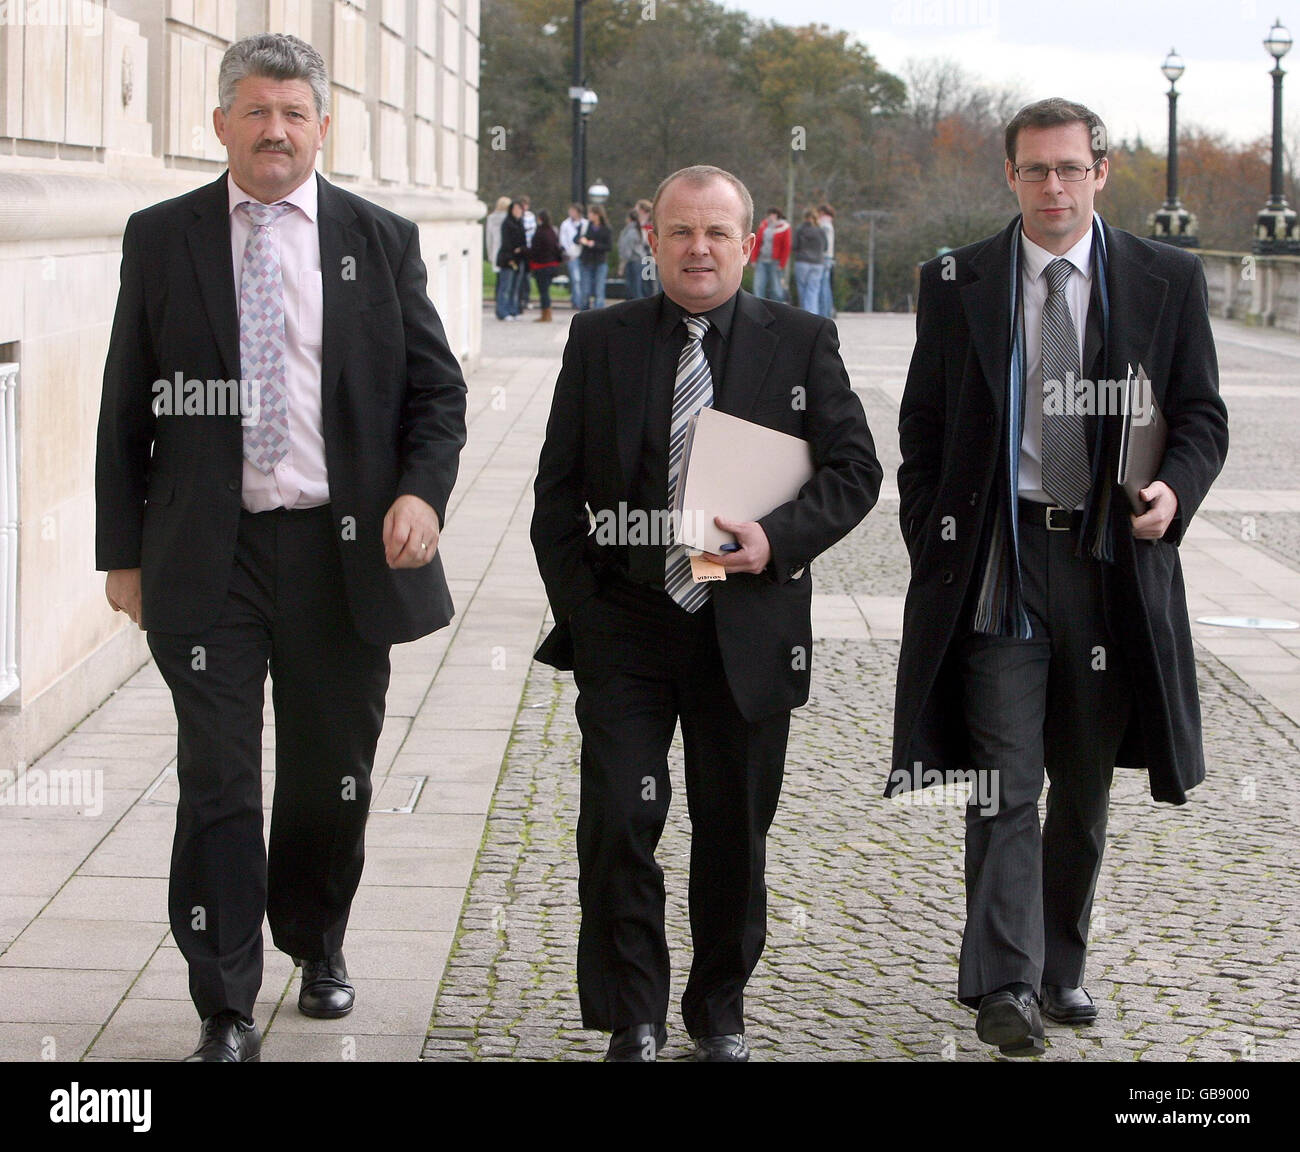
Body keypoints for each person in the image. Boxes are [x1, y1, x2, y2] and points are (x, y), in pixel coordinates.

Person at [95, 33, 468, 1062]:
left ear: (322, 126)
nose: (275, 131)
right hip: (205, 555)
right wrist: (119, 551)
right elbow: (126, 403)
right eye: (256, 111)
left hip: (339, 556)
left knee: (326, 775)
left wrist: (419, 493)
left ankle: (318, 939)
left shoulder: (377, 239)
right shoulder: (162, 235)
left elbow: (436, 393)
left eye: (294, 113)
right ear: (221, 123)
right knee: (217, 776)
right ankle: (223, 999)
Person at [890, 97, 1227, 1057]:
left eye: (1070, 168)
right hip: (1000, 556)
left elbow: (1202, 415)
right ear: (1010, 176)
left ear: (1101, 172)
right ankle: (1004, 985)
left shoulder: (1166, 277)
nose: (1053, 186)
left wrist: (1174, 492)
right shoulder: (956, 279)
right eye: (1035, 169)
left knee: (1080, 785)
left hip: (1108, 558)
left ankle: (1058, 963)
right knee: (1004, 776)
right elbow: (921, 424)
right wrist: (933, 534)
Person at [531, 164, 882, 1061]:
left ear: (749, 242)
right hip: (629, 625)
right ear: (651, 240)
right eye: (680, 232)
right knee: (618, 817)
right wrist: (587, 614)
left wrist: (777, 538)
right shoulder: (600, 339)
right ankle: (634, 1012)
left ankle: (717, 1009)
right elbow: (557, 493)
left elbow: (856, 471)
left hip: (747, 626)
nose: (698, 249)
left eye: (716, 233)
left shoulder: (801, 340)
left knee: (733, 831)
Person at [528, 208, 564, 322]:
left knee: (543, 292)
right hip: (551, 264)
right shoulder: (552, 231)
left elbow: (535, 250)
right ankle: (546, 313)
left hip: (541, 265)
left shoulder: (540, 233)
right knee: (545, 291)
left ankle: (546, 313)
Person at [749, 206, 791, 302]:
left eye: (773, 214)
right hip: (761, 261)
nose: (770, 217)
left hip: (775, 262)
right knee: (758, 286)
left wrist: (782, 264)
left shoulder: (784, 227)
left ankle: (777, 309)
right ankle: (758, 308)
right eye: (769, 215)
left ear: (777, 216)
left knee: (776, 289)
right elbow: (757, 242)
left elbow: (786, 247)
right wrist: (754, 259)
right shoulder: (763, 225)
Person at [495, 200, 527, 321]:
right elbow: (507, 242)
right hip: (509, 259)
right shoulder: (507, 223)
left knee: (515, 287)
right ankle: (503, 311)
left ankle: (513, 310)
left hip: (519, 259)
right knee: (506, 287)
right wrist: (511, 256)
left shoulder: (520, 223)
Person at [577, 204, 612, 310]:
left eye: (591, 213)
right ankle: (584, 310)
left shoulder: (606, 229)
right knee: (585, 289)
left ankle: (599, 311)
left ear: (597, 215)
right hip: (586, 261)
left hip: (600, 261)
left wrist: (594, 244)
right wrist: (582, 240)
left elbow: (608, 246)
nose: (589, 215)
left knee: (599, 289)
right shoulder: (585, 226)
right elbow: (576, 238)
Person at [791, 209, 825, 314]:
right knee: (813, 290)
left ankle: (805, 313)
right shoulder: (820, 230)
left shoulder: (800, 230)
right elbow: (826, 246)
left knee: (802, 289)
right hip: (818, 263)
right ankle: (813, 313)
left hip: (802, 262)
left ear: (804, 218)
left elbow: (794, 246)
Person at [618, 209, 651, 300]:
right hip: (641, 260)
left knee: (634, 287)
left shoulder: (630, 231)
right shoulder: (639, 230)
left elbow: (627, 249)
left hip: (634, 261)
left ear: (629, 219)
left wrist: (622, 263)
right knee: (639, 285)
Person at [559, 202, 586, 309]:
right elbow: (563, 239)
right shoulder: (565, 224)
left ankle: (581, 300)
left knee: (582, 279)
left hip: (583, 255)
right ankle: (577, 301)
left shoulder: (585, 223)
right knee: (575, 279)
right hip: (572, 255)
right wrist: (567, 251)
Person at [516, 194, 536, 313]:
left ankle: (526, 298)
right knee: (519, 276)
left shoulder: (530, 217)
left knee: (527, 277)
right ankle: (519, 299)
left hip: (528, 250)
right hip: (520, 250)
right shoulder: (518, 217)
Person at [816, 204, 836, 318]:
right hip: (829, 257)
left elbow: (823, 243)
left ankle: (824, 312)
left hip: (823, 257)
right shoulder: (829, 223)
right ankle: (828, 310)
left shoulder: (823, 225)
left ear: (822, 212)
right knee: (826, 286)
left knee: (823, 287)